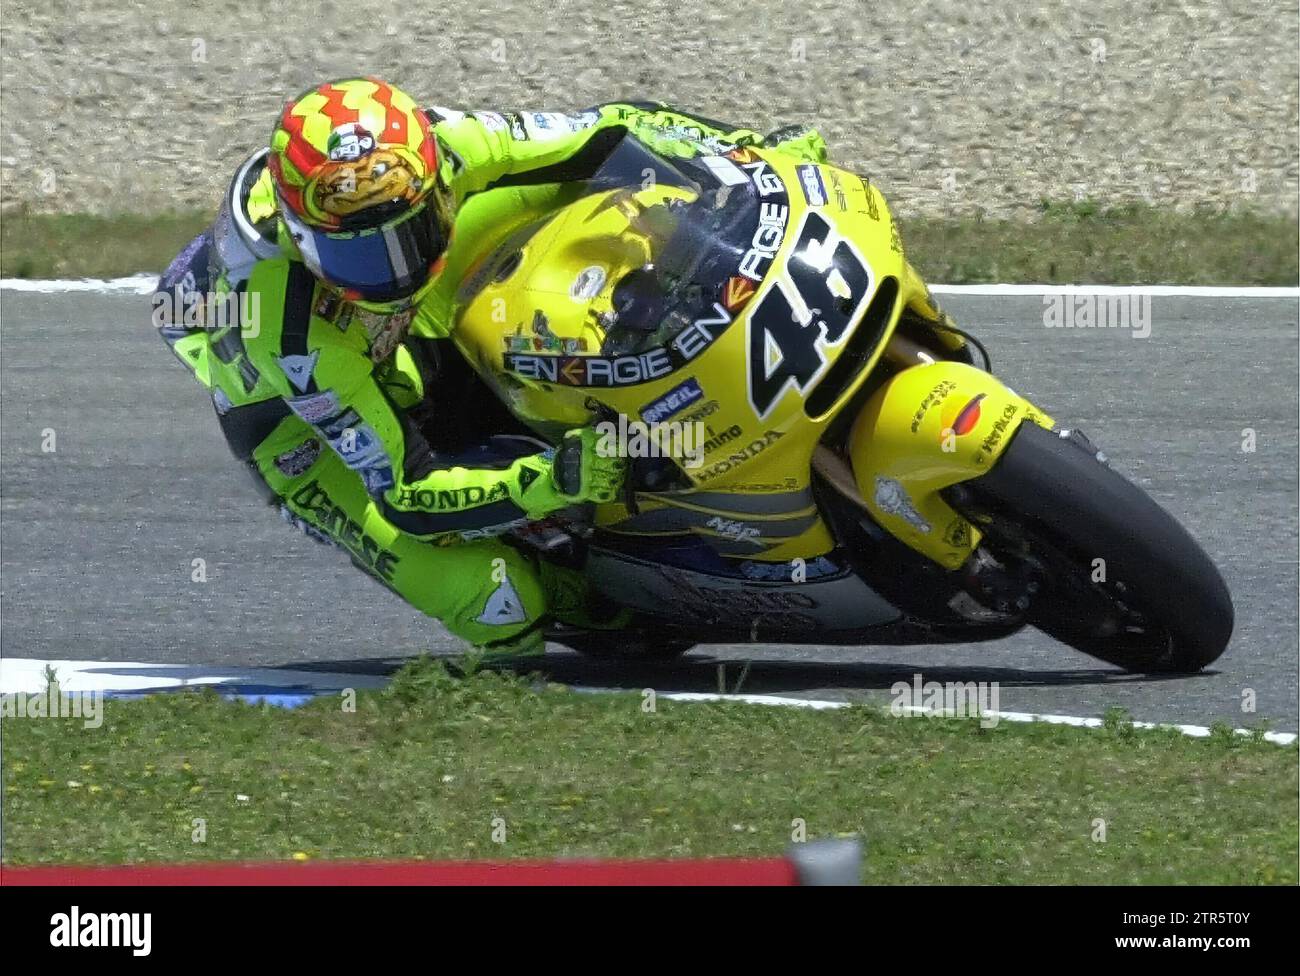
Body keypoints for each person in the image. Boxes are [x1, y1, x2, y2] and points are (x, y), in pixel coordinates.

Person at [156, 77, 834, 653]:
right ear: (303, 239)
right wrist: (551, 479)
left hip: (415, 308)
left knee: (593, 187)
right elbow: (406, 493)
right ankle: (592, 589)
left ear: (431, 185)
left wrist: (745, 153)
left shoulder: (448, 144)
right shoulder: (291, 335)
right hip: (299, 427)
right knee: (497, 604)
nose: (393, 270)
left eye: (408, 234)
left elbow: (609, 128)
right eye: (358, 253)